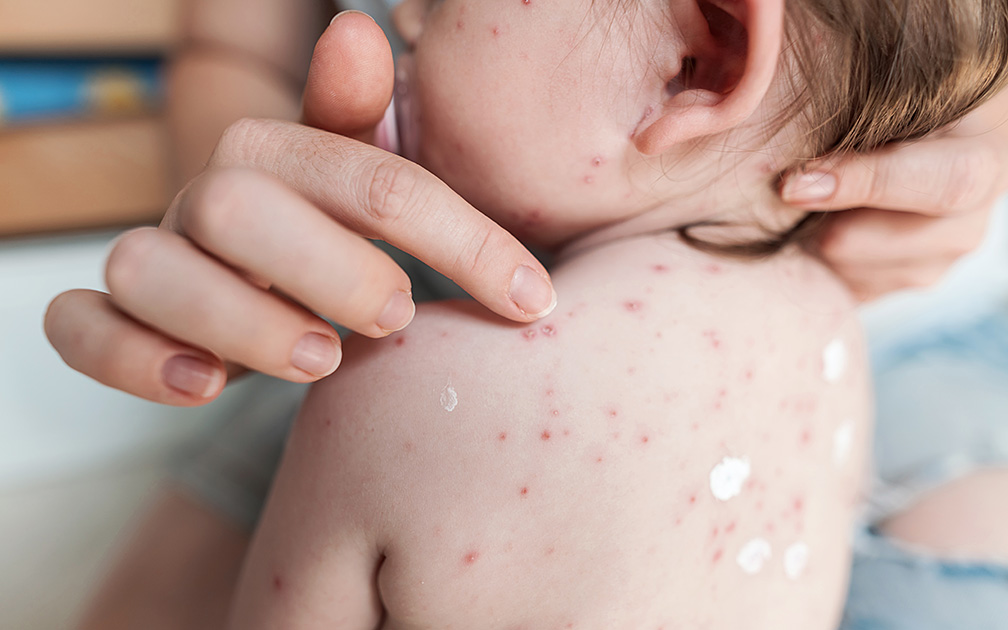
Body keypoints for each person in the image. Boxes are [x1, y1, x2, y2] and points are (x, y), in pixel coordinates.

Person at [56, 1, 1008, 628]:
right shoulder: (825, 335)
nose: (402, 13)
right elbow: (233, 42)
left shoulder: (393, 395)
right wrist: (249, 231)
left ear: (696, 56)